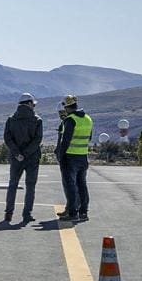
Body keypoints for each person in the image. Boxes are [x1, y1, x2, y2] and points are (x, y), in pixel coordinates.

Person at [3, 93, 43, 223]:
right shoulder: (37, 120)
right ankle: (27, 214)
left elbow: (7, 138)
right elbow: (38, 140)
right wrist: (26, 153)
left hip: (16, 158)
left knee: (13, 184)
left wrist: (17, 153)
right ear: (30, 103)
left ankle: (8, 213)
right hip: (32, 158)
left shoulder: (11, 119)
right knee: (30, 186)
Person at [56, 94, 92, 222]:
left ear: (66, 107)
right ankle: (83, 212)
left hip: (70, 157)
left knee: (70, 185)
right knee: (82, 184)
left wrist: (60, 156)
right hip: (83, 156)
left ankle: (72, 213)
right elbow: (90, 138)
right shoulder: (88, 118)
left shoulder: (70, 120)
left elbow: (65, 140)